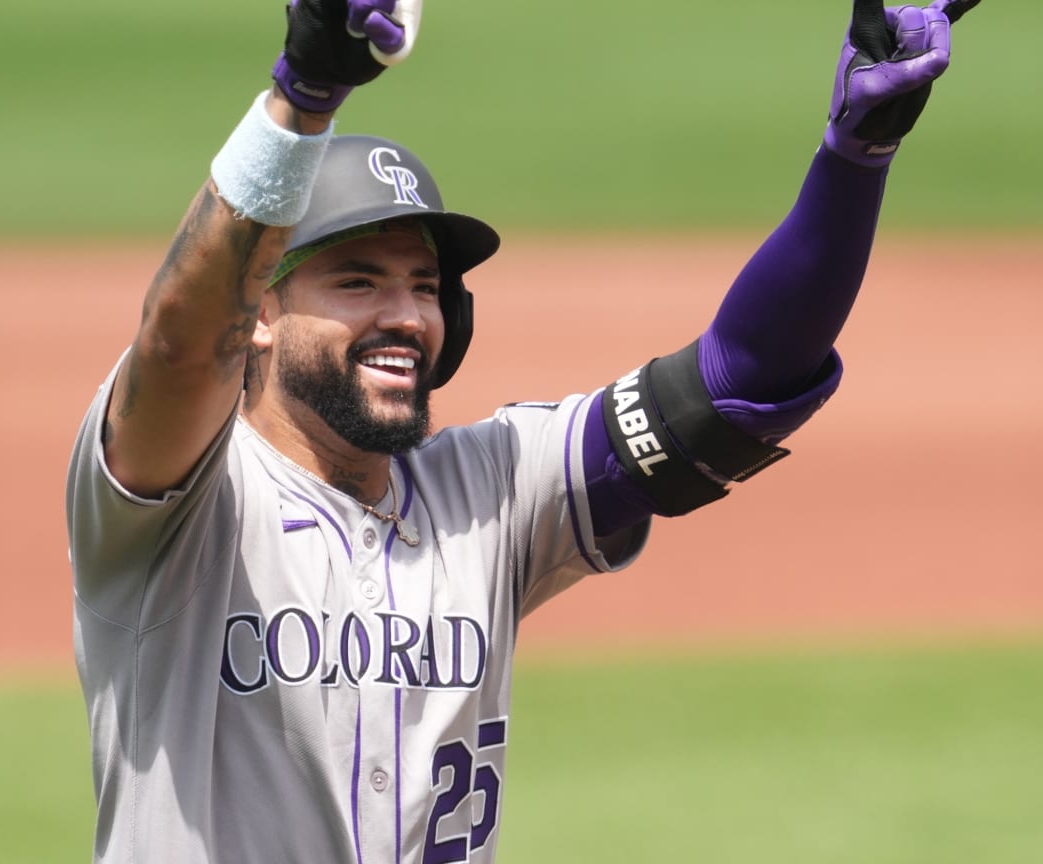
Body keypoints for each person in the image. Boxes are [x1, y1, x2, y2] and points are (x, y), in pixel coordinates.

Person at [65, 0, 981, 860]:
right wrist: (301, 100)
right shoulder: (173, 506)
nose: (406, 316)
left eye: (424, 286)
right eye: (357, 280)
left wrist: (856, 159)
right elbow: (180, 349)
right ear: (257, 312)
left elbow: (739, 385)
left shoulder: (491, 493)